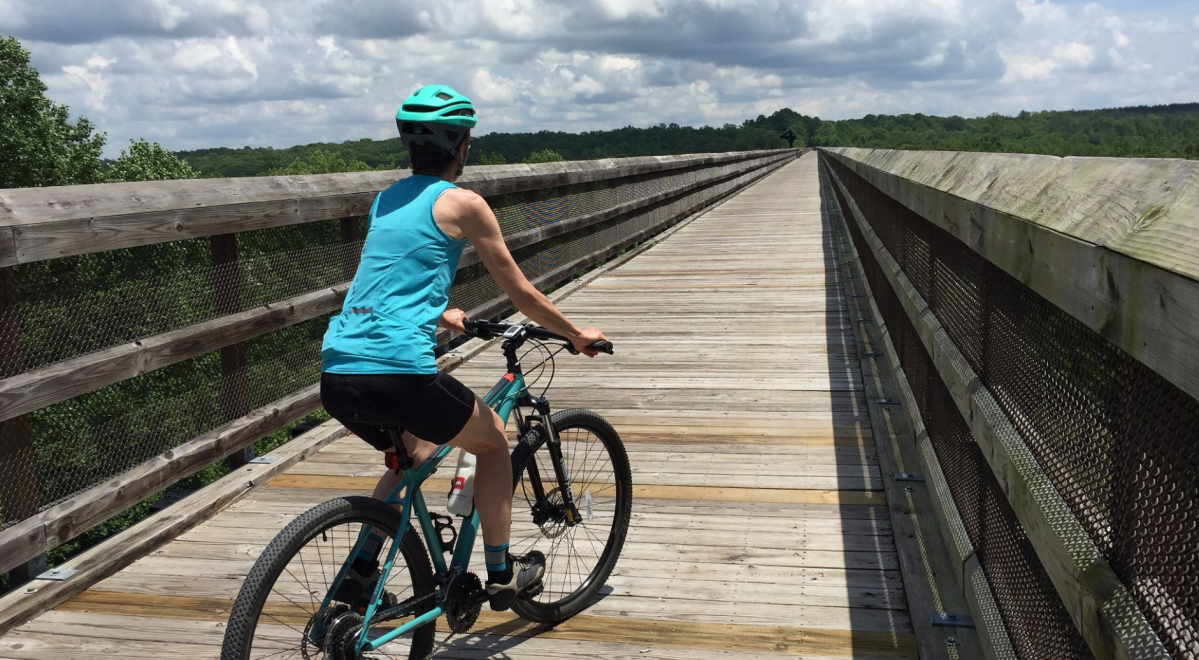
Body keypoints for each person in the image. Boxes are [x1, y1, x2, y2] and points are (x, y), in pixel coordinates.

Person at [319, 85, 608, 612]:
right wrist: (575, 333)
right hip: (399, 373)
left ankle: (359, 573)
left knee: (415, 454)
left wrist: (438, 312)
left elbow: (389, 282)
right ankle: (501, 574)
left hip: (338, 374)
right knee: (494, 441)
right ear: (462, 145)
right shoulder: (465, 203)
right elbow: (519, 291)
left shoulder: (385, 199)